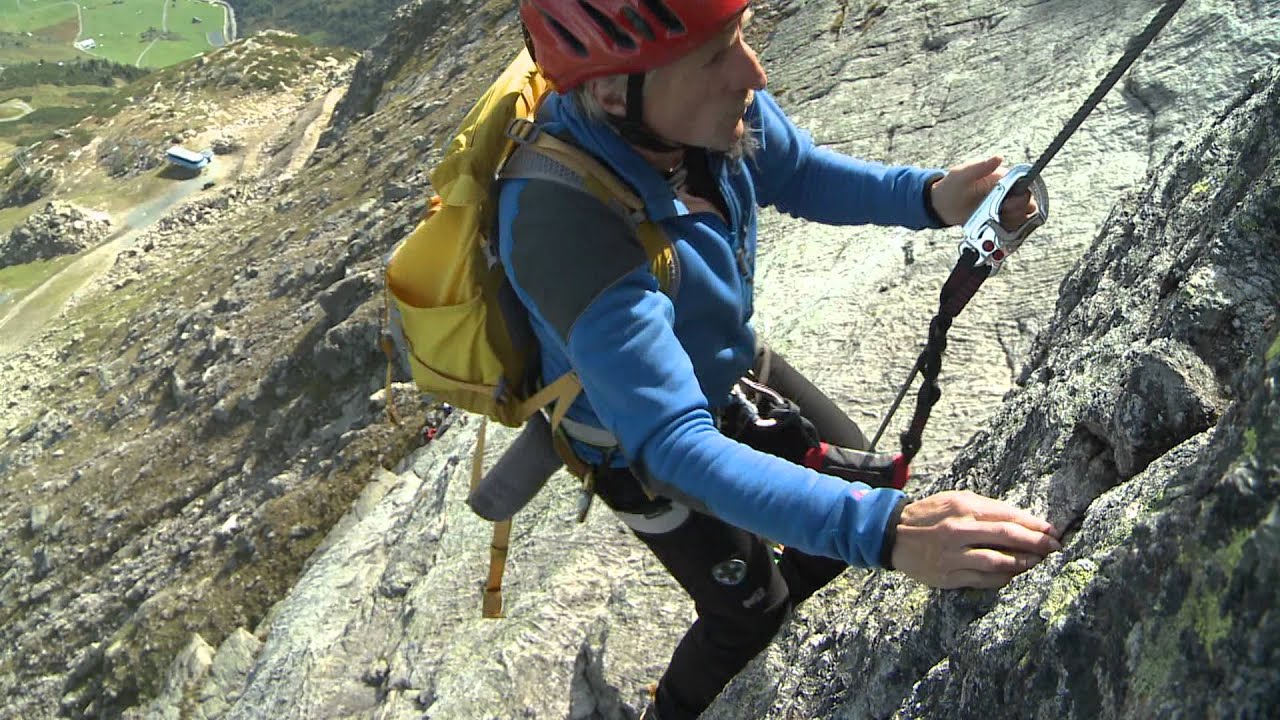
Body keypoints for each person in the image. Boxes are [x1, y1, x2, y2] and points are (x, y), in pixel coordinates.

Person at [501, 1, 1063, 717]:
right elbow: (673, 444)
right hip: (630, 441)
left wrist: (930, 197)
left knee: (860, 472)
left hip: (728, 363)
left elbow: (801, 175)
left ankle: (796, 597)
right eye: (714, 57)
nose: (753, 72)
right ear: (614, 92)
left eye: (739, 37)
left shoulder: (695, 115)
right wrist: (883, 533)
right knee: (748, 613)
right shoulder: (560, 217)